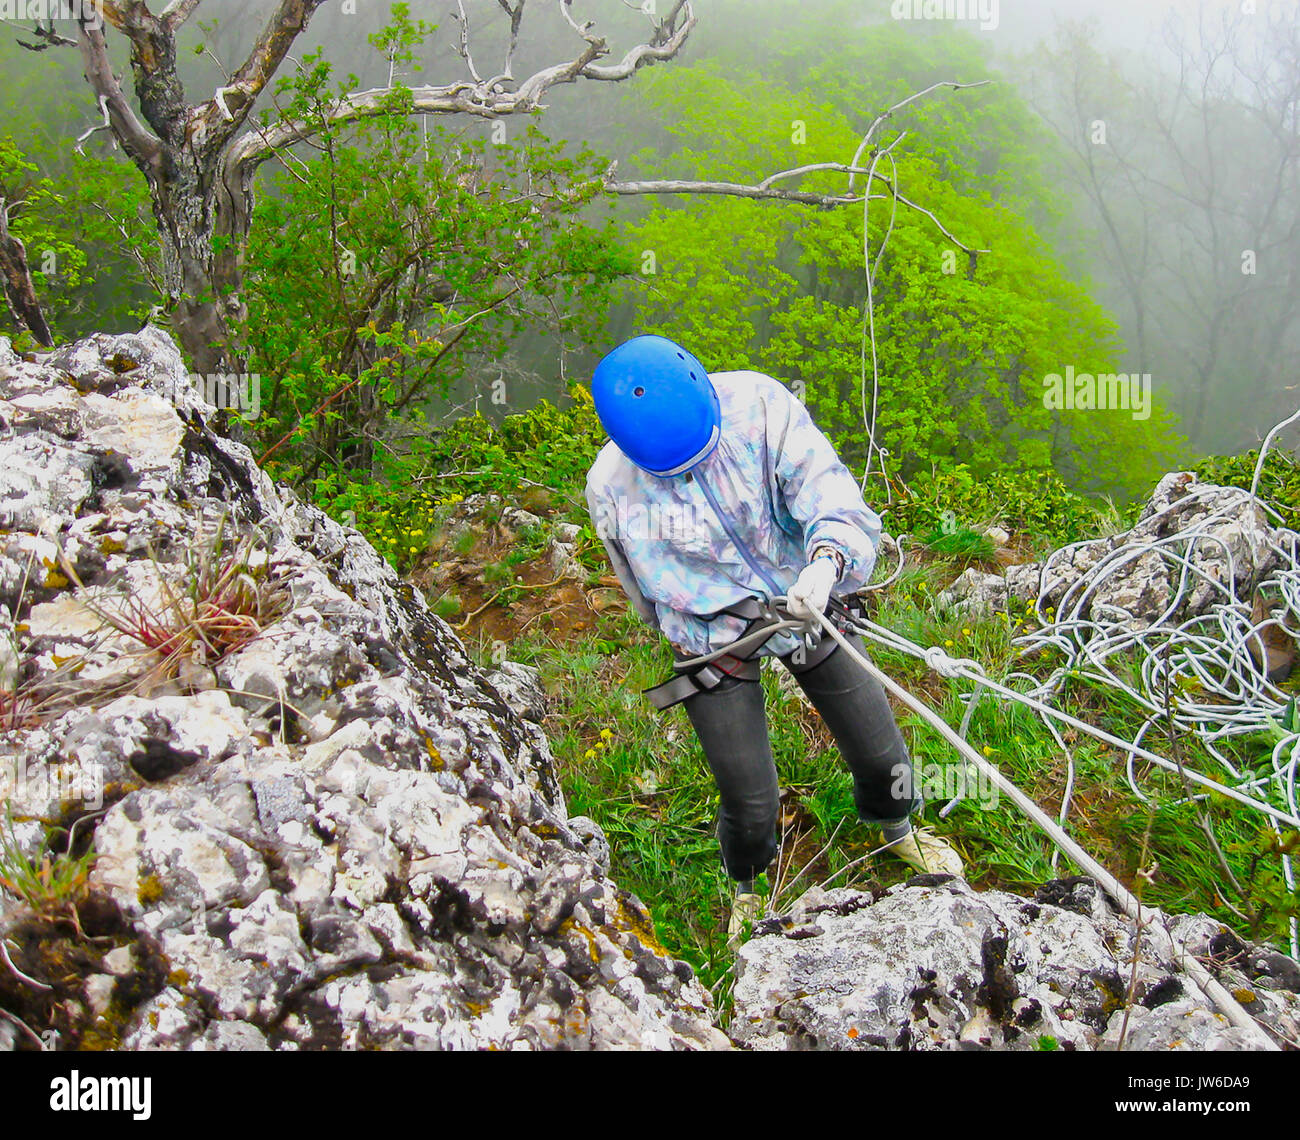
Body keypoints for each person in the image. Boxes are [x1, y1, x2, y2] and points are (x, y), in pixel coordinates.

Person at [584, 334, 963, 943]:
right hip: (712, 634)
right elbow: (637, 579)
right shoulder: (611, 485)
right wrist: (691, 635)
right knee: (748, 799)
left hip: (805, 599)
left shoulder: (762, 407)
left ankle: (901, 831)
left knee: (879, 747)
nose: (695, 472)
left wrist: (827, 561)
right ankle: (749, 887)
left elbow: (827, 490)